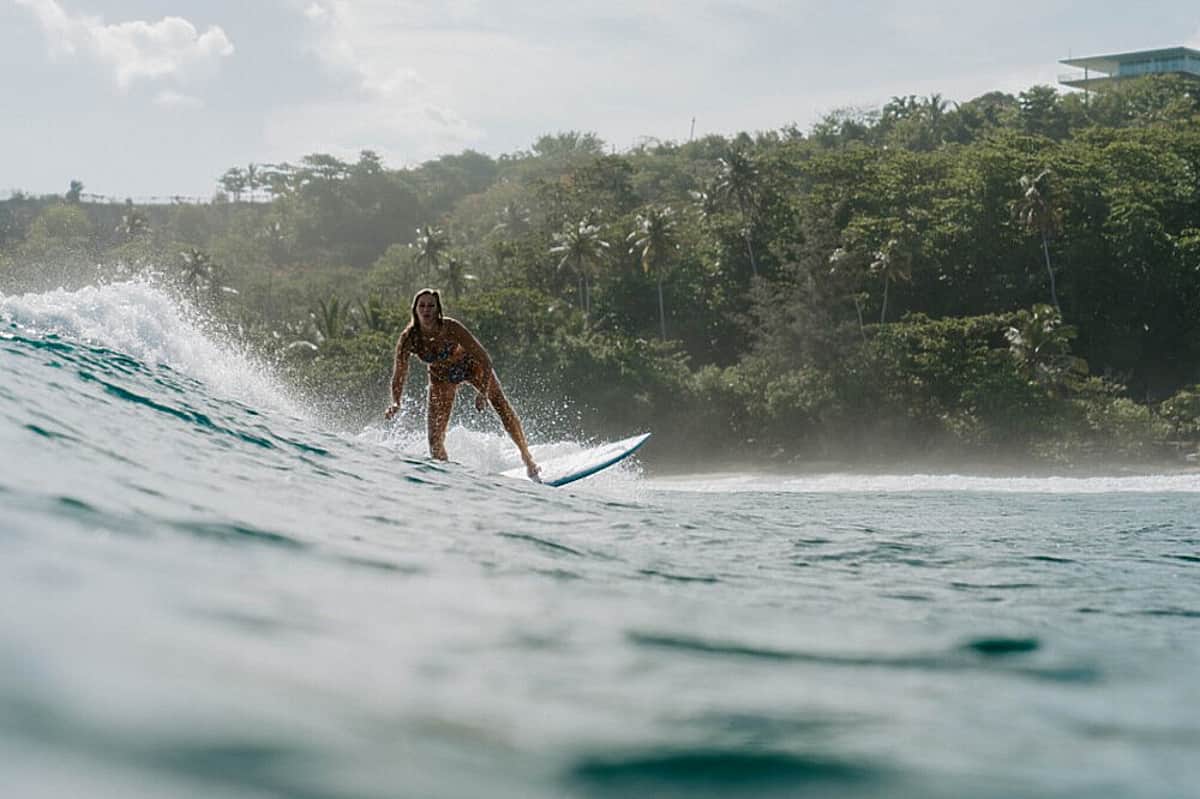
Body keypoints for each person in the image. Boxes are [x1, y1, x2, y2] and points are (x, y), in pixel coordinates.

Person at [385, 288, 541, 481]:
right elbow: (399, 373)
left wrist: (482, 392)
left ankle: (527, 458)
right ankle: (446, 479)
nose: (426, 310)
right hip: (441, 377)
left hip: (471, 366)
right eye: (422, 306)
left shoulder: (451, 327)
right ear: (415, 309)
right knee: (434, 439)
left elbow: (484, 359)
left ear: (437, 309)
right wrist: (396, 401)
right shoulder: (409, 338)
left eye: (431, 306)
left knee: (500, 404)